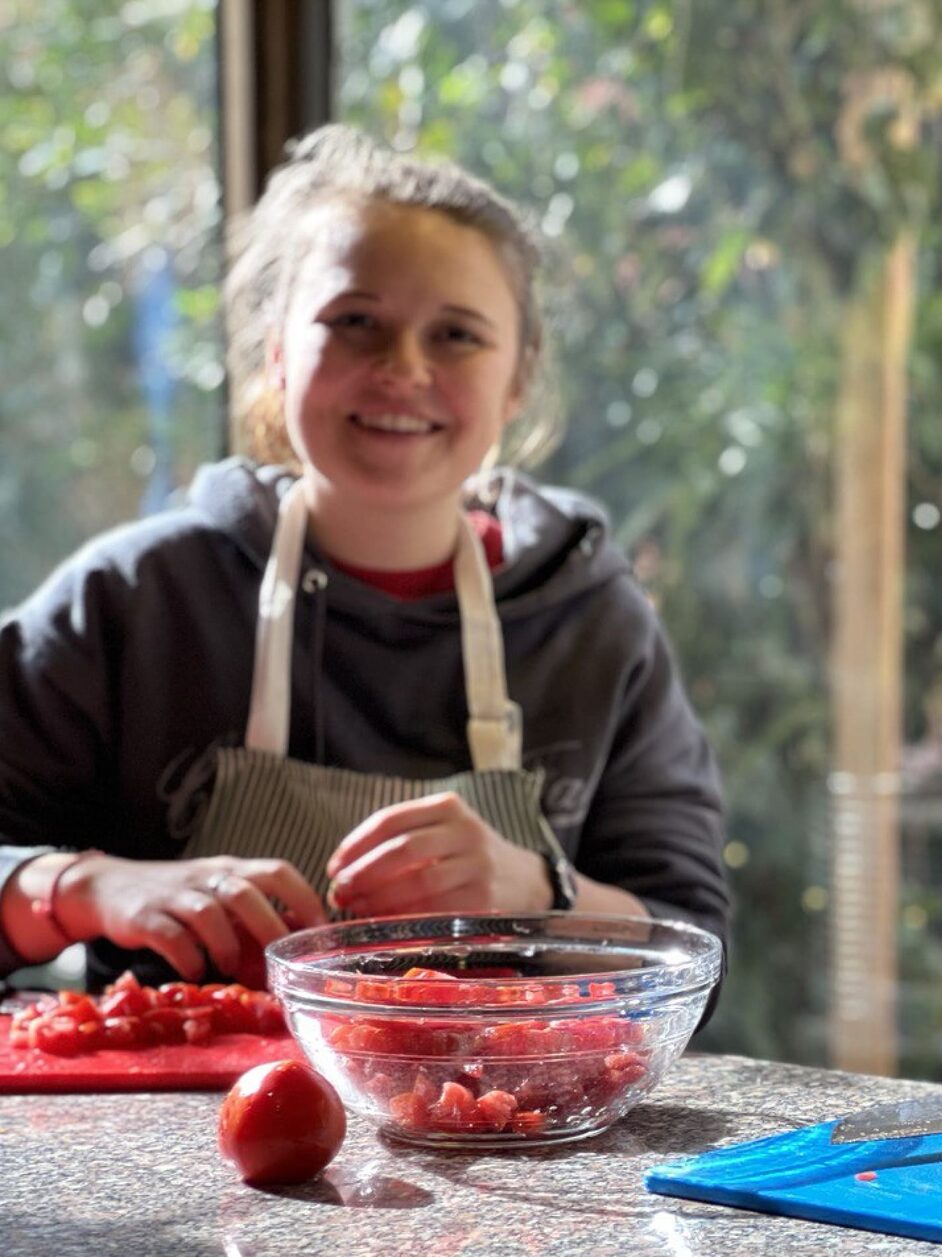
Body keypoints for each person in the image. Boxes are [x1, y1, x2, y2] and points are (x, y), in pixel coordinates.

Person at [0, 126, 730, 994]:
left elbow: (696, 953)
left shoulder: (596, 625)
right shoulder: (133, 601)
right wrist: (81, 887)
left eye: (457, 335)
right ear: (276, 354)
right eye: (355, 322)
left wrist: (538, 890)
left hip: (503, 1124)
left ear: (519, 379)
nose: (402, 368)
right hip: (179, 1124)